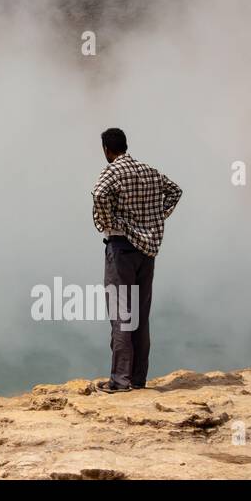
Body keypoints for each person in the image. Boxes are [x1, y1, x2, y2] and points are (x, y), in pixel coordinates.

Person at [90, 128, 182, 393]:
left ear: (107, 149)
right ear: (126, 145)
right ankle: (138, 378)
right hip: (147, 251)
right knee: (141, 316)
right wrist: (155, 219)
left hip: (121, 248)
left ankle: (119, 381)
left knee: (121, 316)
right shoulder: (148, 170)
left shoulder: (113, 171)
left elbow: (98, 195)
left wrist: (110, 222)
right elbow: (175, 191)